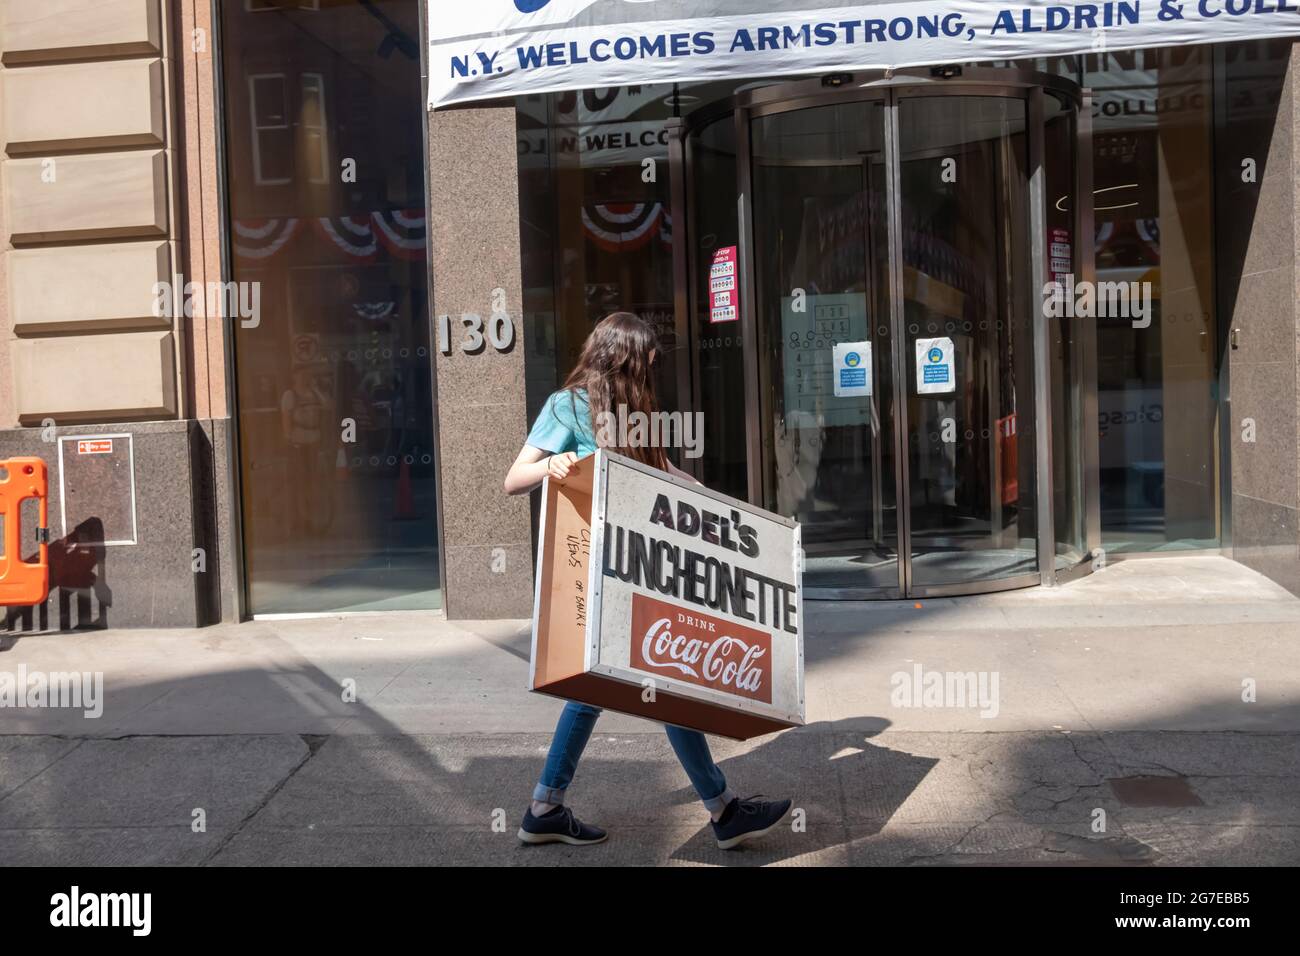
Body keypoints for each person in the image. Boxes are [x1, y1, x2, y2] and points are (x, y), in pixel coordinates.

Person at [504, 312, 792, 850]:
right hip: (595, 564)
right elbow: (513, 479)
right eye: (648, 359)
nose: (654, 368)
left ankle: (546, 807)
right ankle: (719, 809)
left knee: (648, 681)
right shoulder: (566, 406)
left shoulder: (634, 409)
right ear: (624, 357)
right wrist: (555, 465)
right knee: (648, 681)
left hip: (639, 561)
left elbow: (658, 467)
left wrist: (711, 500)